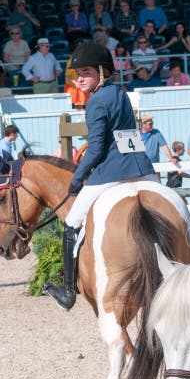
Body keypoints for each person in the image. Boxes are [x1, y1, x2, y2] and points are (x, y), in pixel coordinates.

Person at [43, 43, 156, 310]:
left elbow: (94, 150)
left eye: (85, 72)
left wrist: (76, 179)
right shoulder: (121, 94)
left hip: (113, 171)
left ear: (102, 72)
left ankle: (68, 291)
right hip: (143, 168)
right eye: (77, 73)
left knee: (71, 222)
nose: (79, 78)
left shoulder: (95, 102)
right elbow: (127, 137)